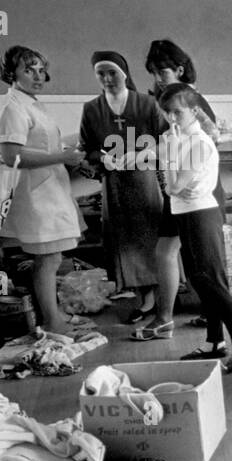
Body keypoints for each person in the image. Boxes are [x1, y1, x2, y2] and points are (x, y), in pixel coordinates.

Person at [144, 83, 232, 371]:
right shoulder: (180, 140)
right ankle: (214, 341)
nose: (171, 119)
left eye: (177, 112)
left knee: (211, 280)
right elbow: (176, 188)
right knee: (199, 278)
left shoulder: (199, 142)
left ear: (194, 111)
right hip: (187, 213)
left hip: (202, 215)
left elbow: (173, 186)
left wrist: (167, 157)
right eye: (166, 113)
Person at [0, 46, 85, 336]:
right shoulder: (11, 107)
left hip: (48, 187)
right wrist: (63, 158)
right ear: (11, 73)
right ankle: (51, 321)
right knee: (49, 258)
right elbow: (11, 157)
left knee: (52, 257)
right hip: (35, 193)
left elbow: (40, 146)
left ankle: (52, 315)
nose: (37, 76)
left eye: (40, 69)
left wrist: (72, 146)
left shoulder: (31, 104)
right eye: (28, 70)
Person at [143, 39, 227, 333]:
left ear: (179, 69)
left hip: (196, 191)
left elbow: (210, 138)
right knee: (184, 255)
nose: (156, 79)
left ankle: (166, 317)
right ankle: (199, 316)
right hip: (180, 189)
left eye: (161, 73)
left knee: (183, 255)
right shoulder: (169, 101)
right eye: (152, 73)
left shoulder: (188, 100)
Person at [78, 50, 166, 321]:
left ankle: (161, 300)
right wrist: (103, 157)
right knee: (123, 242)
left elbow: (167, 141)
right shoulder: (92, 109)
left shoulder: (146, 104)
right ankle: (144, 299)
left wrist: (141, 155)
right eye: (101, 74)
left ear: (124, 74)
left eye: (112, 72)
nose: (107, 78)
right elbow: (87, 149)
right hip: (114, 184)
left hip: (144, 182)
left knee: (151, 240)